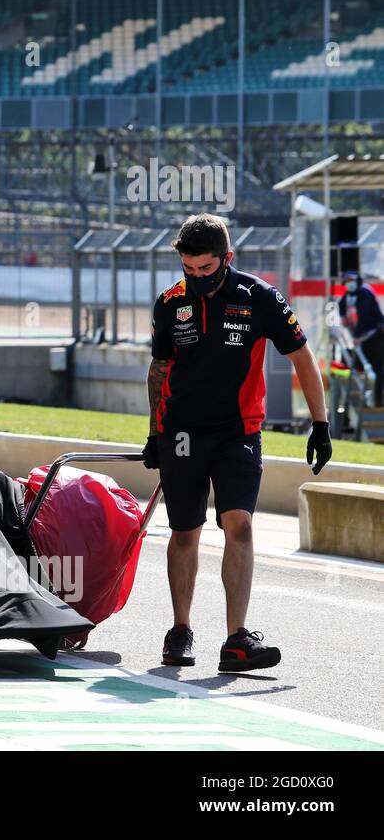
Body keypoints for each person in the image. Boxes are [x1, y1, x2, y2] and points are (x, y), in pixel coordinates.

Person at [144, 213, 331, 673]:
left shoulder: (260, 298)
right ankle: (181, 629)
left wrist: (320, 423)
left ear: (226, 258)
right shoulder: (170, 303)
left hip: (238, 432)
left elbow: (302, 357)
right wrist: (154, 433)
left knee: (240, 525)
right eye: (189, 269)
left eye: (205, 269)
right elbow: (159, 371)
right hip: (182, 432)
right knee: (184, 531)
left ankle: (236, 640)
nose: (197, 277)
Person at [338, 271, 384, 407]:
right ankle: (368, 397)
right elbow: (341, 306)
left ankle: (377, 399)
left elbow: (364, 316)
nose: (349, 284)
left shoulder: (365, 293)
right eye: (346, 281)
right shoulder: (348, 296)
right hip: (362, 340)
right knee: (358, 365)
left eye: (351, 280)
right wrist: (343, 317)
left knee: (377, 369)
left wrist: (357, 336)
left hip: (375, 336)